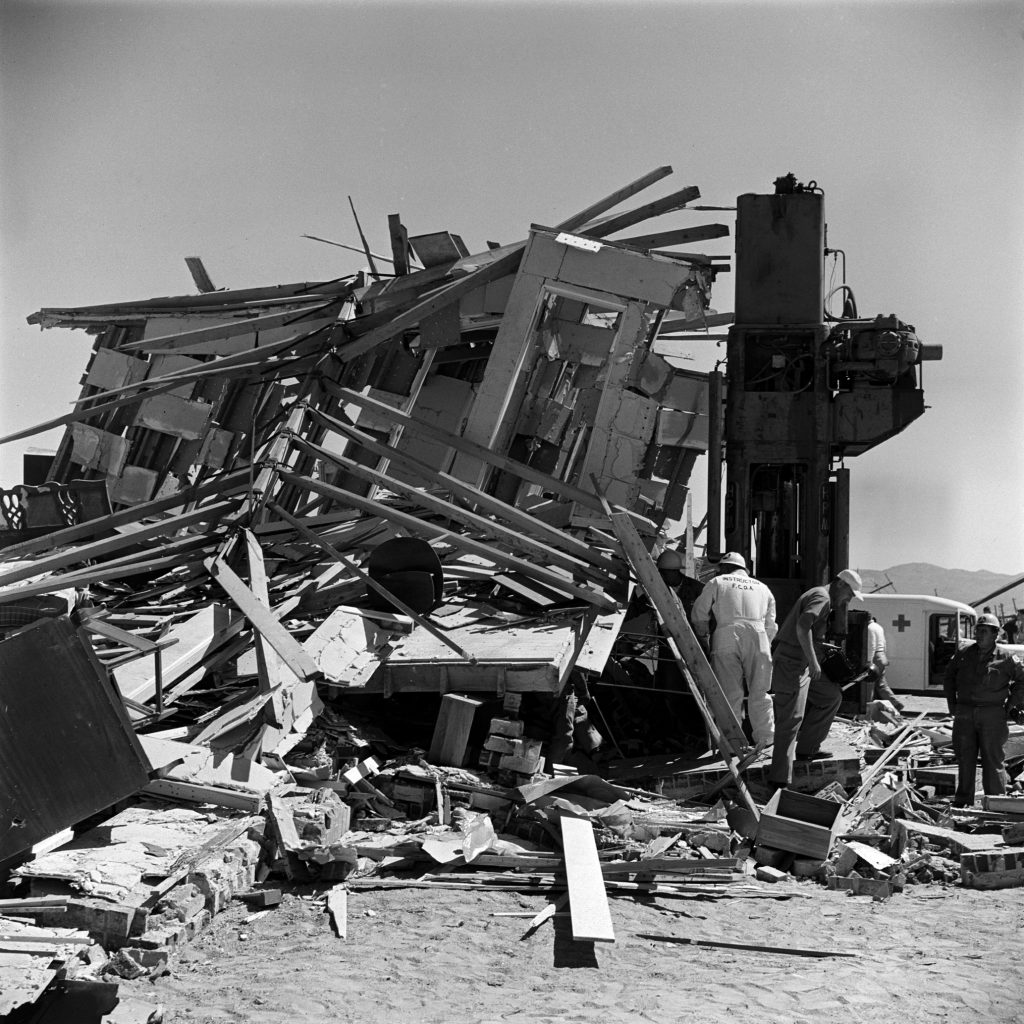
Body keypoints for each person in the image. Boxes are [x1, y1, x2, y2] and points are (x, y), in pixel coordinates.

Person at [767, 569, 863, 790]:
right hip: (793, 662)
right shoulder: (822, 597)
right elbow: (803, 626)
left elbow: (808, 631)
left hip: (803, 662)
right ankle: (779, 779)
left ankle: (807, 749)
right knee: (791, 719)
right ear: (840, 584)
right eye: (849, 594)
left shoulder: (822, 596)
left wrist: (820, 648)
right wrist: (813, 661)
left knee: (830, 697)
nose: (848, 600)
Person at [690, 552, 777, 746]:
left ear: (726, 567)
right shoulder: (763, 588)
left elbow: (699, 613)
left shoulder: (717, 582)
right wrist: (765, 644)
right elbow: (771, 624)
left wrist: (704, 637)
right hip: (759, 637)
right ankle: (766, 739)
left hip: (726, 636)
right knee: (760, 692)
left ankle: (733, 743)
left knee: (730, 693)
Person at [942, 612, 1024, 807]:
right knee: (965, 759)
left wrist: (1010, 705)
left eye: (984, 631)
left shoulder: (1007, 658)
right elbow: (949, 677)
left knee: (993, 760)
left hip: (992, 715)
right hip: (965, 714)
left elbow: (1022, 681)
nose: (978, 635)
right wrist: (952, 704)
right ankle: (963, 802)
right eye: (978, 630)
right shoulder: (963, 653)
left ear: (995, 634)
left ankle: (996, 803)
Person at [865, 616, 905, 712]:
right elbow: (884, 643)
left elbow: (871, 645)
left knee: (869, 683)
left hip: (875, 657)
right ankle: (895, 703)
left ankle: (868, 707)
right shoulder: (879, 627)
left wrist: (869, 661)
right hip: (881, 656)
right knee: (881, 683)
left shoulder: (869, 628)